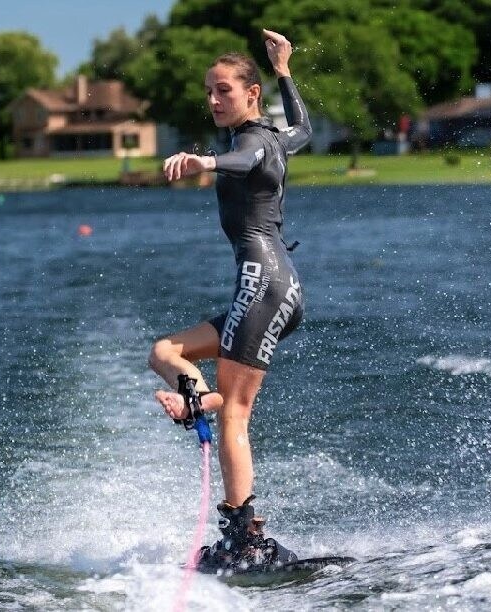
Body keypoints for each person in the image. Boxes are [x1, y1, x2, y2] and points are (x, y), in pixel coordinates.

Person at [148, 29, 311, 572]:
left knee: (236, 410)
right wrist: (285, 69)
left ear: (250, 95)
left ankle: (245, 538)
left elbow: (242, 162)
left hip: (262, 283)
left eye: (224, 90)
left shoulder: (252, 141)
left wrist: (205, 162)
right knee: (165, 352)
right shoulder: (275, 136)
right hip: (273, 286)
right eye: (209, 92)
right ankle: (195, 399)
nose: (214, 100)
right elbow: (305, 129)